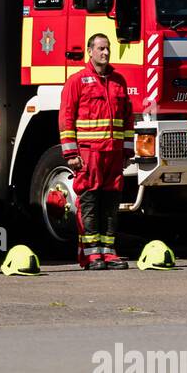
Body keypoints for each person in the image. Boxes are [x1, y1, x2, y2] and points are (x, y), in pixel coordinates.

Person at [59, 34, 135, 270]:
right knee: (90, 201)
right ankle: (91, 255)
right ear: (90, 52)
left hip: (113, 153)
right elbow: (66, 118)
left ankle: (108, 252)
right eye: (101, 48)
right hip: (89, 153)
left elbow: (127, 118)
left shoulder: (118, 81)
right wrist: (71, 152)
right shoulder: (77, 81)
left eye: (108, 48)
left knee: (111, 202)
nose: (105, 52)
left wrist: (127, 149)